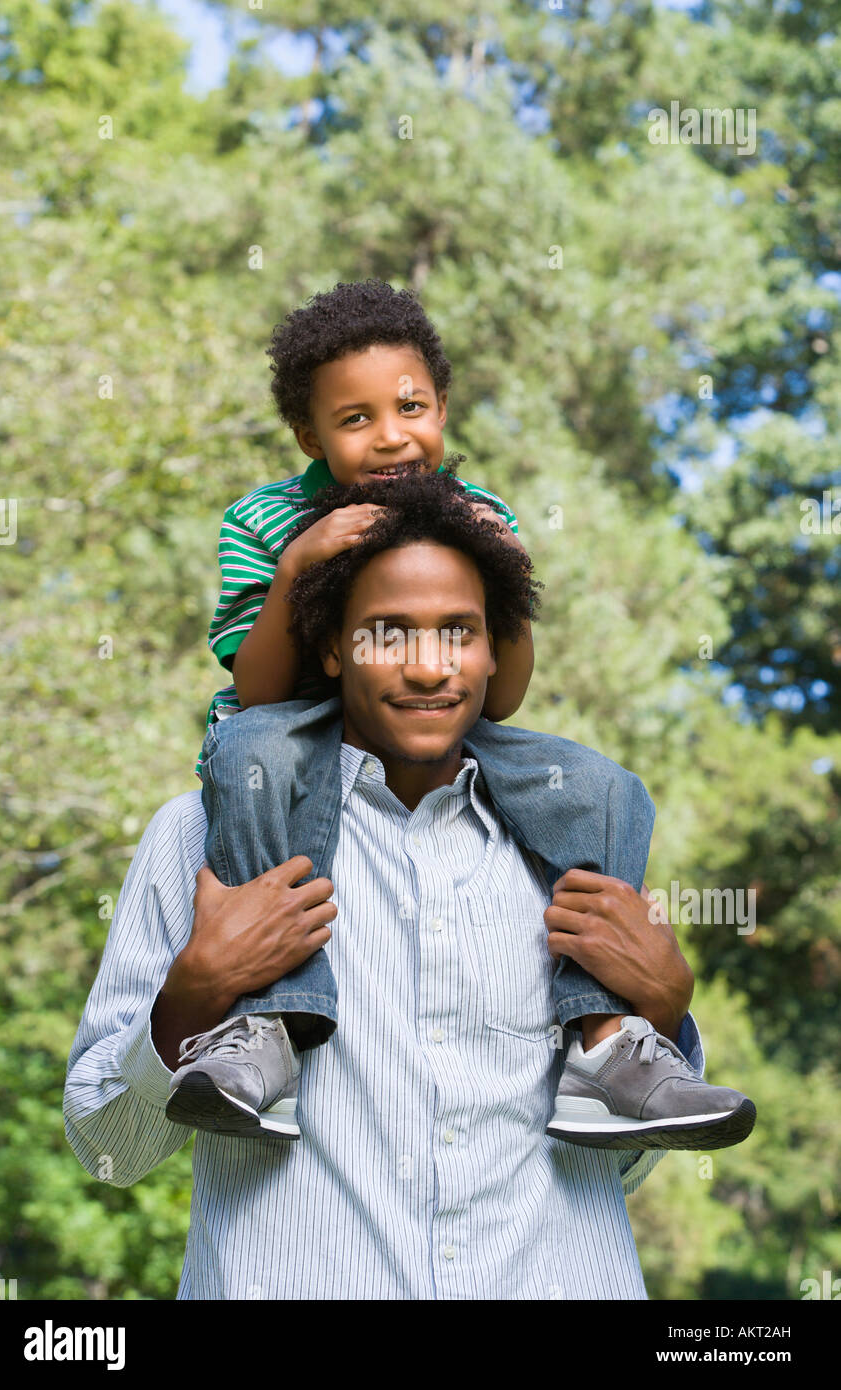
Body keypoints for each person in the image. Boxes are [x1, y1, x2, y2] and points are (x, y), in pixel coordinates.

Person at [65, 484, 753, 1300]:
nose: (428, 667)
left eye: (458, 633)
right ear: (331, 648)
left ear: (493, 650)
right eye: (386, 635)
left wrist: (664, 1010)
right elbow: (109, 1144)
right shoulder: (206, 839)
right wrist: (193, 995)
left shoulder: (571, 850)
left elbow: (610, 1169)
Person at [168, 279, 754, 1151]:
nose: (392, 434)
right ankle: (265, 1027)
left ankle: (603, 1041)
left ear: (442, 406)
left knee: (603, 784)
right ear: (310, 436)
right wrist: (296, 571)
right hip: (292, 728)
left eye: (410, 406)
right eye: (355, 418)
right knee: (247, 751)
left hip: (452, 731)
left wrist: (507, 574)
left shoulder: (479, 513)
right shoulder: (265, 520)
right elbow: (259, 692)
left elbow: (505, 694)